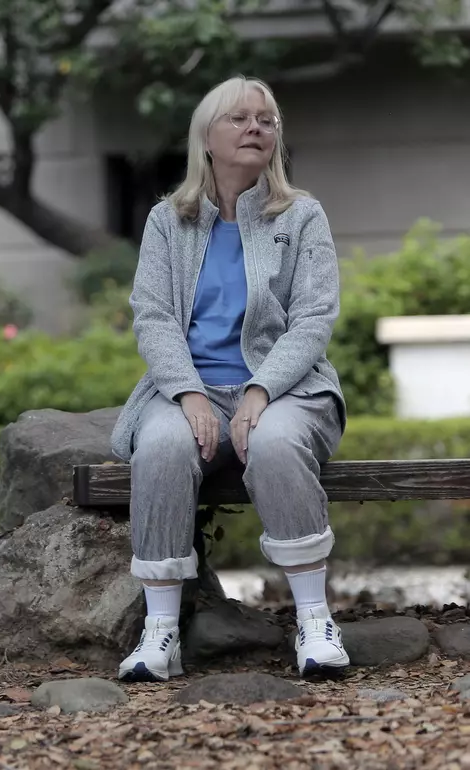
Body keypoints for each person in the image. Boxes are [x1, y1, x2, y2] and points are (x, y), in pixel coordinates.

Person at [110, 74, 349, 684]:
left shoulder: (301, 215)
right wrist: (188, 392)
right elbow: (153, 316)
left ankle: (315, 621)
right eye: (239, 119)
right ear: (207, 138)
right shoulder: (168, 220)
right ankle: (160, 633)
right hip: (189, 390)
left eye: (266, 121)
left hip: (288, 389)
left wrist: (260, 391)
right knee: (161, 444)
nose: (255, 129)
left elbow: (314, 319)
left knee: (275, 442)